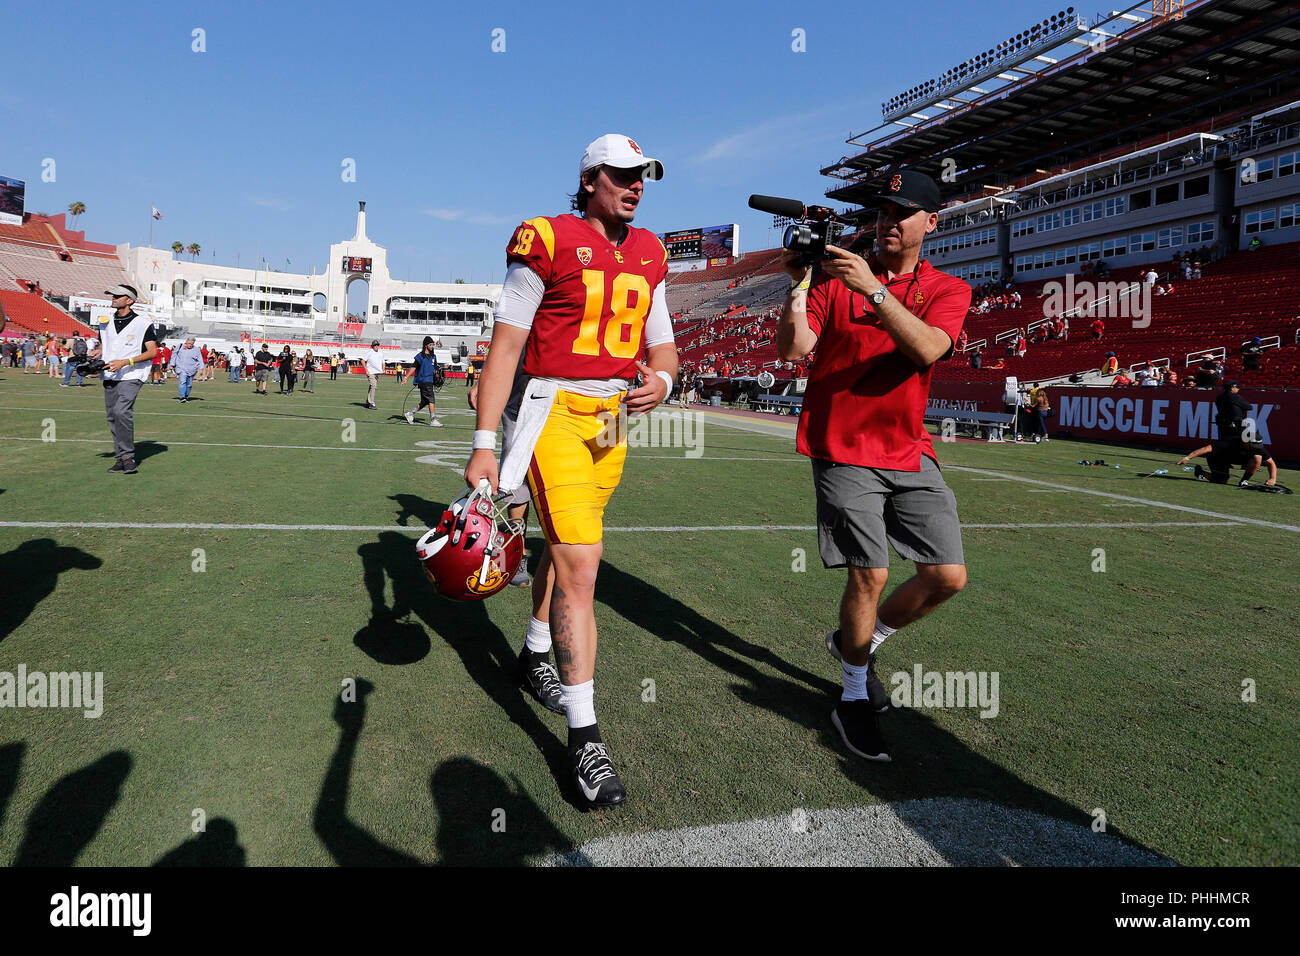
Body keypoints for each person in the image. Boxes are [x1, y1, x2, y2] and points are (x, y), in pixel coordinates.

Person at [465, 133, 675, 807]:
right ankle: (585, 740)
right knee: (582, 559)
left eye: (641, 175)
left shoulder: (651, 252)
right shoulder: (546, 238)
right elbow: (506, 349)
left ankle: (532, 653)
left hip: (614, 419)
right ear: (589, 180)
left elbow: (664, 350)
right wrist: (483, 442)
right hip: (555, 407)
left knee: (561, 551)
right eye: (621, 175)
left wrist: (663, 387)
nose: (635, 184)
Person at [776, 168, 969, 764]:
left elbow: (929, 348)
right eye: (883, 211)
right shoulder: (837, 280)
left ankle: (859, 642)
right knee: (870, 575)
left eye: (902, 212)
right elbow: (794, 349)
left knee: (946, 577)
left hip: (909, 447)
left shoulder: (947, 288)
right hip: (842, 444)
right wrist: (798, 287)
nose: (888, 220)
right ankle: (853, 696)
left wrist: (874, 293)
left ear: (929, 223)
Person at [87, 285, 157, 474]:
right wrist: (97, 352)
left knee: (121, 411)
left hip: (132, 374)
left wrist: (126, 362)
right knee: (112, 416)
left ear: (130, 300)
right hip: (110, 373)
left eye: (118, 296)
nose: (113, 298)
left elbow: (152, 352)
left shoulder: (143, 323)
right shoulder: (105, 321)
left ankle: (127, 457)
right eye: (113, 295)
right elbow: (105, 344)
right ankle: (120, 458)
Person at [404, 336, 444, 426]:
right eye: (430, 345)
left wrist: (440, 370)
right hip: (424, 380)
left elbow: (435, 367)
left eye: (432, 345)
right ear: (426, 345)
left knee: (425, 402)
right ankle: (433, 420)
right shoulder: (420, 356)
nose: (432, 346)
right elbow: (413, 367)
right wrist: (406, 377)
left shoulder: (433, 356)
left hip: (430, 380)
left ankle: (410, 414)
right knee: (431, 399)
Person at [170, 336, 204, 403]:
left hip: (192, 369)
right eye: (189, 343)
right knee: (182, 382)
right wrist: (172, 364)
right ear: (186, 342)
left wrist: (201, 367)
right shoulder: (180, 346)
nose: (190, 345)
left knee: (189, 385)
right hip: (181, 368)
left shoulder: (196, 350)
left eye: (192, 344)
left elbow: (200, 359)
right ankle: (182, 397)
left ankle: (186, 396)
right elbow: (174, 355)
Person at [363, 340, 383, 409]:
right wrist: (366, 370)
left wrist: (383, 369)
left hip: (377, 373)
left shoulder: (381, 353)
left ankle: (367, 402)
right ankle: (371, 403)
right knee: (373, 386)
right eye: (375, 345)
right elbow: (363, 360)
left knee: (372, 387)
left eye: (377, 345)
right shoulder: (369, 352)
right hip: (370, 372)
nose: (376, 346)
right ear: (372, 346)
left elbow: (383, 362)